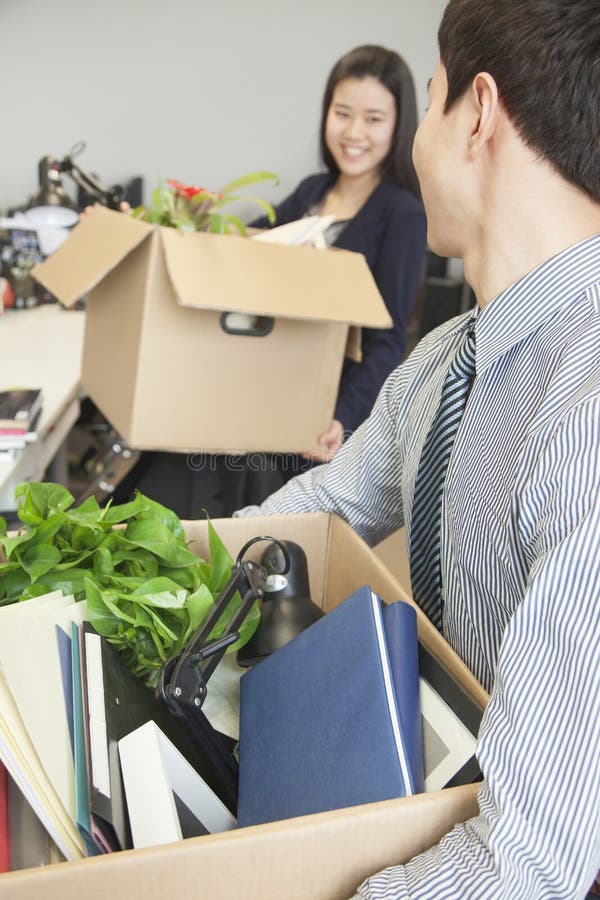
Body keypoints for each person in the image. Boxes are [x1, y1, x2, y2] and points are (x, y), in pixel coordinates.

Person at [235, 0, 600, 897]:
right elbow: (316, 511)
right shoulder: (446, 359)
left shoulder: (585, 403)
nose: (412, 149)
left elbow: (529, 865)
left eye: (425, 102)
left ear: (476, 114)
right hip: (433, 804)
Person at [252, 44, 427, 466]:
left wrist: (342, 417)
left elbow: (387, 339)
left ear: (399, 125)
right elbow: (253, 251)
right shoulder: (310, 192)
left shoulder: (402, 213)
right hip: (268, 389)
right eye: (342, 113)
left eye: (373, 119)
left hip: (325, 416)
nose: (353, 133)